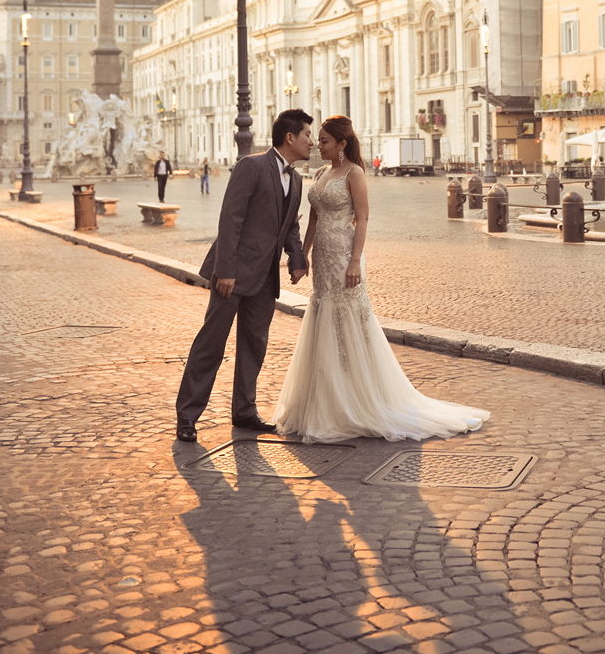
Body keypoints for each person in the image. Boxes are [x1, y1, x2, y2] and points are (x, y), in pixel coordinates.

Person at [273, 115, 489, 443]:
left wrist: (356, 261)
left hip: (345, 254)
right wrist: (301, 255)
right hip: (322, 258)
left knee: (347, 321)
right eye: (317, 139)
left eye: (325, 141)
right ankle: (326, 398)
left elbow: (362, 219)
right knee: (323, 314)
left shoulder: (354, 173)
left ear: (342, 144)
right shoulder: (319, 173)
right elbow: (314, 219)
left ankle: (356, 398)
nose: (318, 144)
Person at [175, 109, 313, 443]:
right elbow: (230, 219)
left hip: (265, 278)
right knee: (211, 344)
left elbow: (290, 224)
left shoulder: (295, 179)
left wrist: (296, 257)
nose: (312, 141)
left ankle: (244, 410)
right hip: (232, 275)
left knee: (254, 345)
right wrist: (225, 270)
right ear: (290, 137)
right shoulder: (251, 166)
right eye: (308, 134)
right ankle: (187, 416)